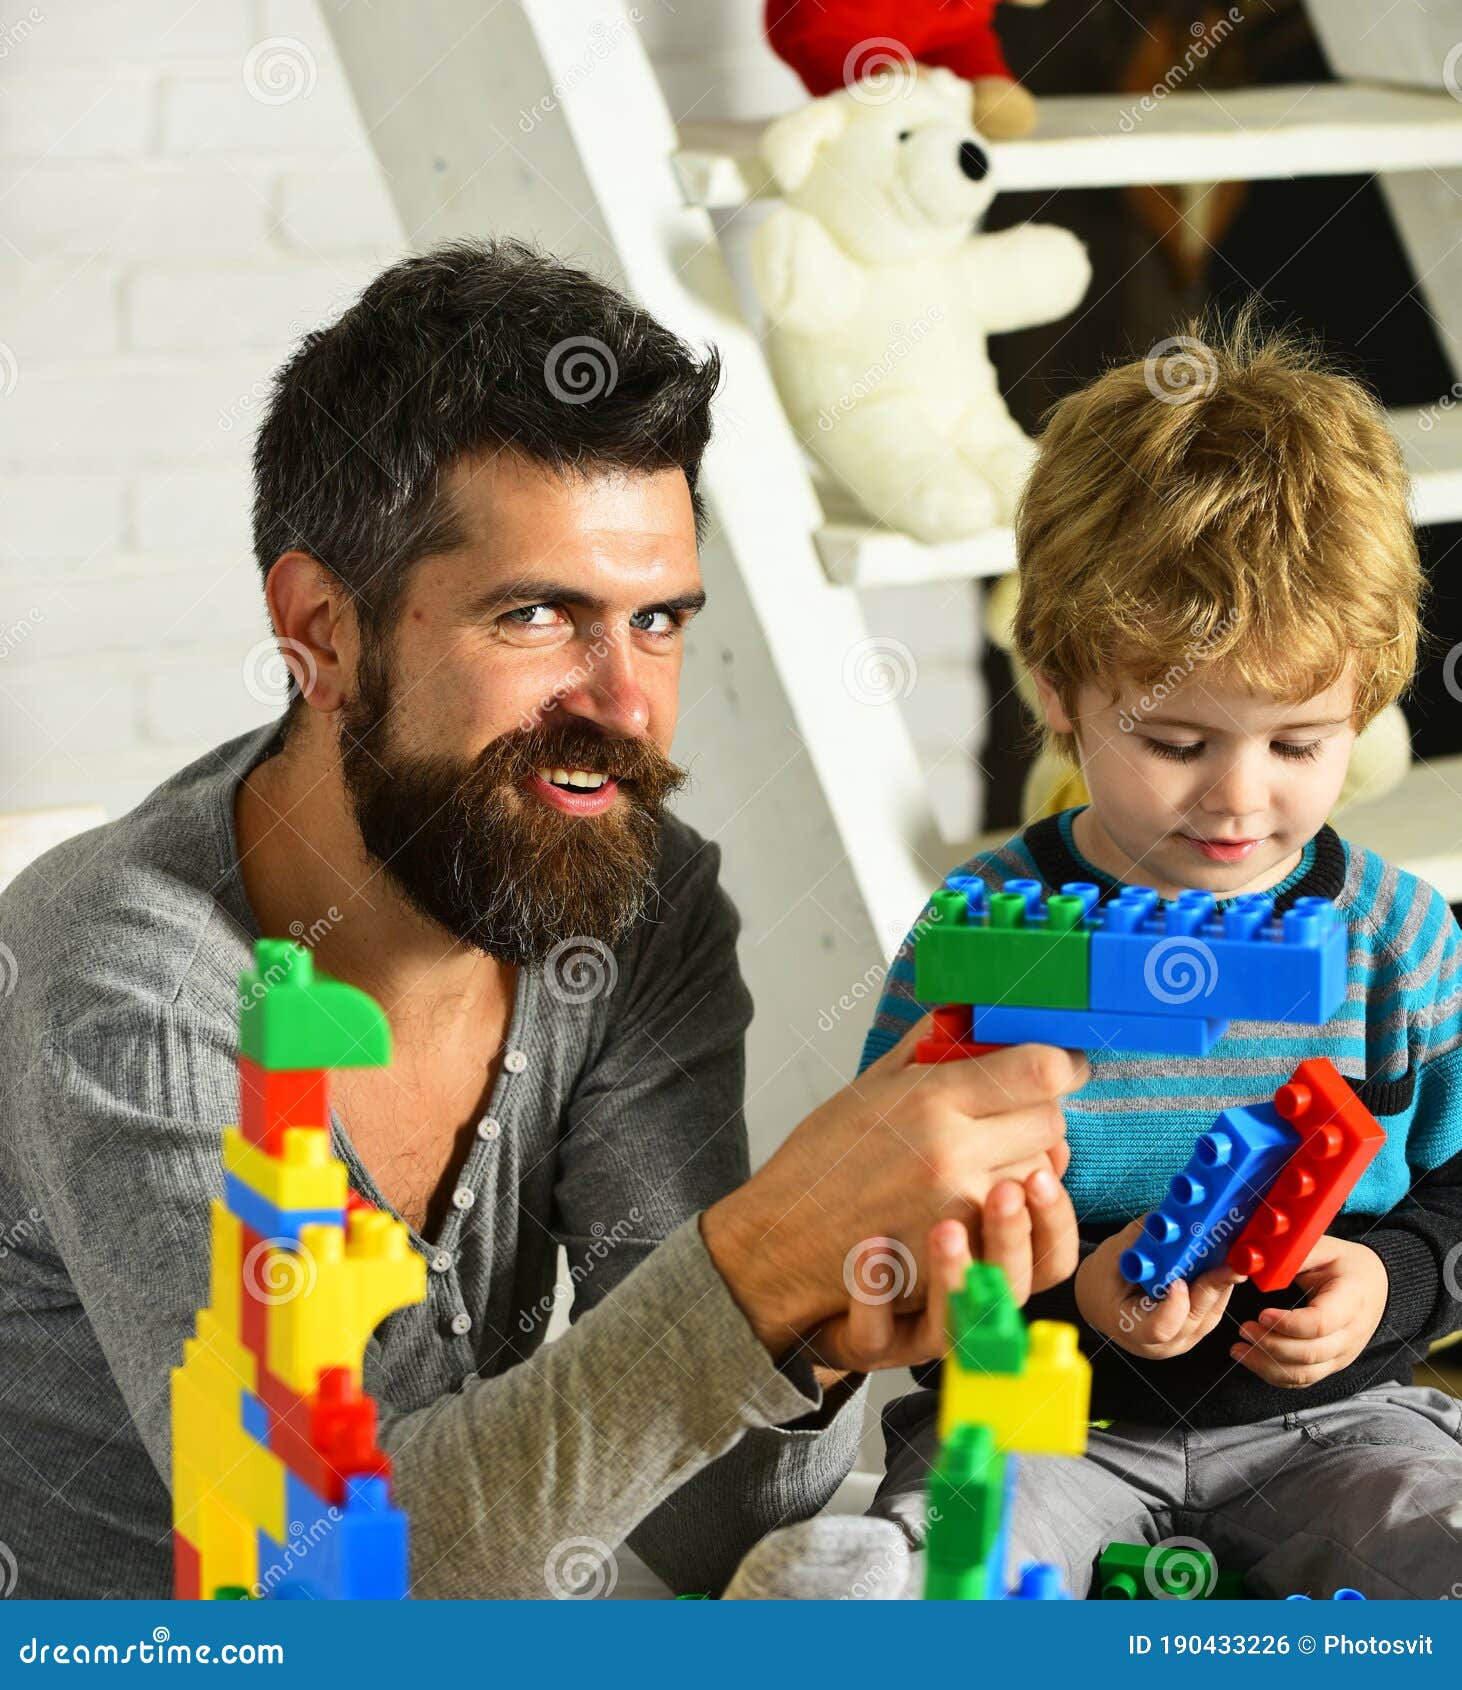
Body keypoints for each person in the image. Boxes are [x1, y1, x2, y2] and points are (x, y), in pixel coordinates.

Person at [0, 237, 1082, 1600]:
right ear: (322, 632)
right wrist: (753, 1264)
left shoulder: (630, 902)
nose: (623, 703)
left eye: (658, 623)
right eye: (537, 617)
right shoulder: (129, 980)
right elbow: (327, 1576)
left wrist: (811, 1326)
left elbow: (701, 1529)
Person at [863, 306, 1462, 1599]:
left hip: (1335, 1426)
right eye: (1176, 743)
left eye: (1298, 743)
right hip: (1043, 1424)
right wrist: (1074, 1292)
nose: (1236, 800)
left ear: (1362, 703)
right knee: (938, 1571)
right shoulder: (979, 943)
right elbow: (893, 1229)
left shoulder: (1397, 940)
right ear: (1058, 694)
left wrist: (1387, 1276)